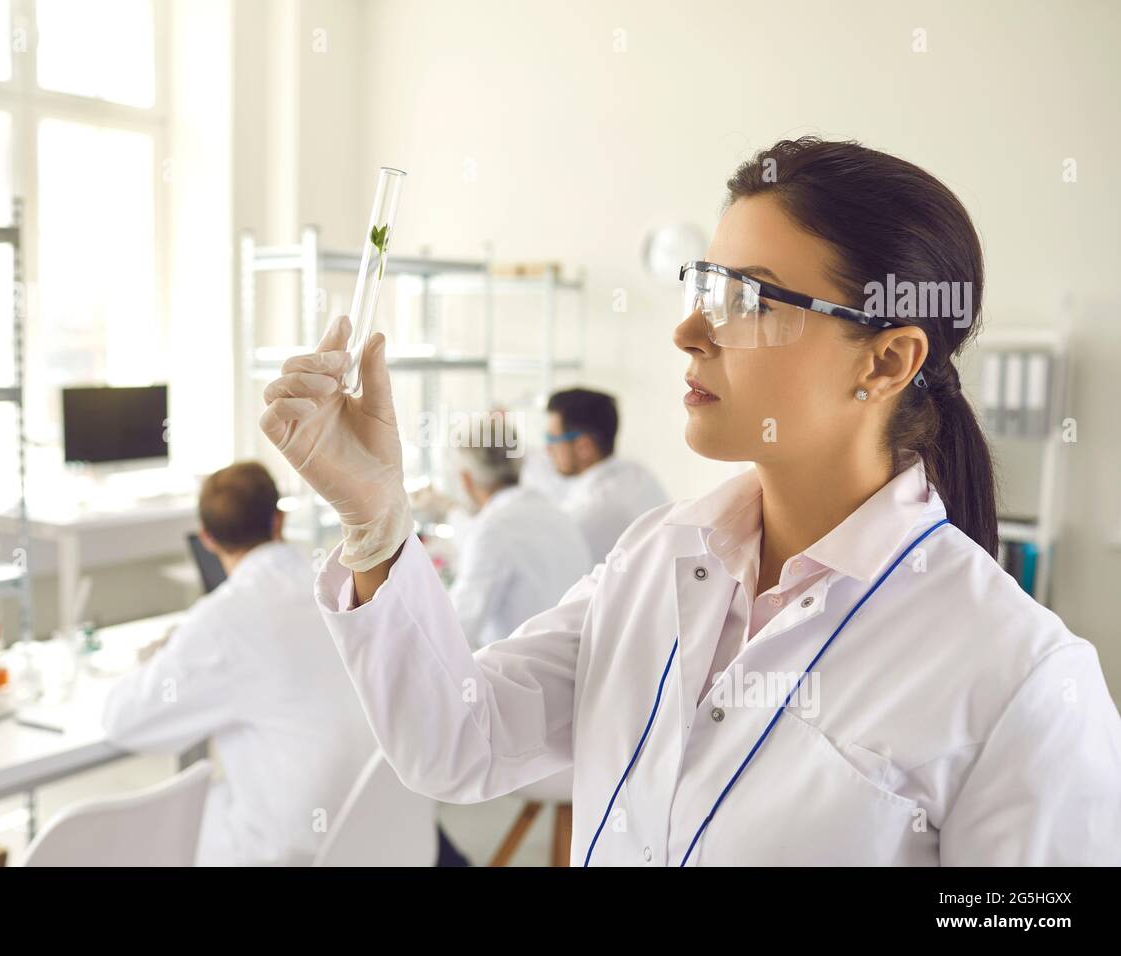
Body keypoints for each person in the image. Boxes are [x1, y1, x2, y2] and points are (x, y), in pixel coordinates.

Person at [259, 136, 1121, 865]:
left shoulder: (1025, 683)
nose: (688, 329)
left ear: (886, 361)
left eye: (746, 298)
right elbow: (456, 742)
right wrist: (375, 520)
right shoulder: (658, 557)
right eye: (705, 285)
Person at [101, 461, 376, 866]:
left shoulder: (222, 619)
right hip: (382, 832)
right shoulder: (342, 587)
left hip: (295, 853)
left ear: (207, 539)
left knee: (162, 833)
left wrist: (158, 658)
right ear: (278, 521)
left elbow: (125, 722)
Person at [449, 414, 593, 651]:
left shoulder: (492, 530)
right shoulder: (558, 514)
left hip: (520, 675)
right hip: (571, 666)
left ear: (465, 479)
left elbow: (455, 630)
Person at [543, 388, 668, 560]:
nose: (547, 449)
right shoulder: (638, 474)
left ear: (584, 447)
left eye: (551, 439)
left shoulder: (588, 513)